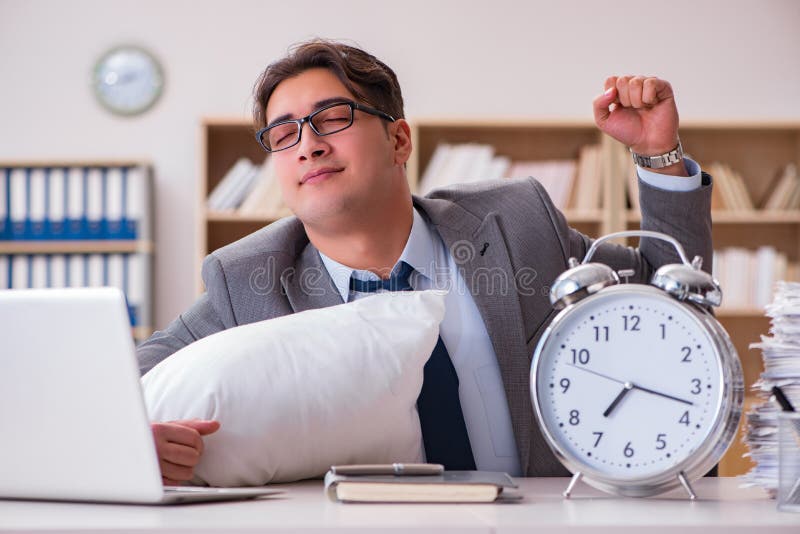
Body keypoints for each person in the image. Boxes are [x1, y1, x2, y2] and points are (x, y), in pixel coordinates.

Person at [138, 39, 712, 485]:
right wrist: (135, 438)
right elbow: (122, 383)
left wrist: (658, 155)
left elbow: (670, 302)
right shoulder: (250, 279)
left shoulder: (515, 224)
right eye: (283, 134)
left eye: (332, 116)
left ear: (399, 141)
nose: (308, 144)